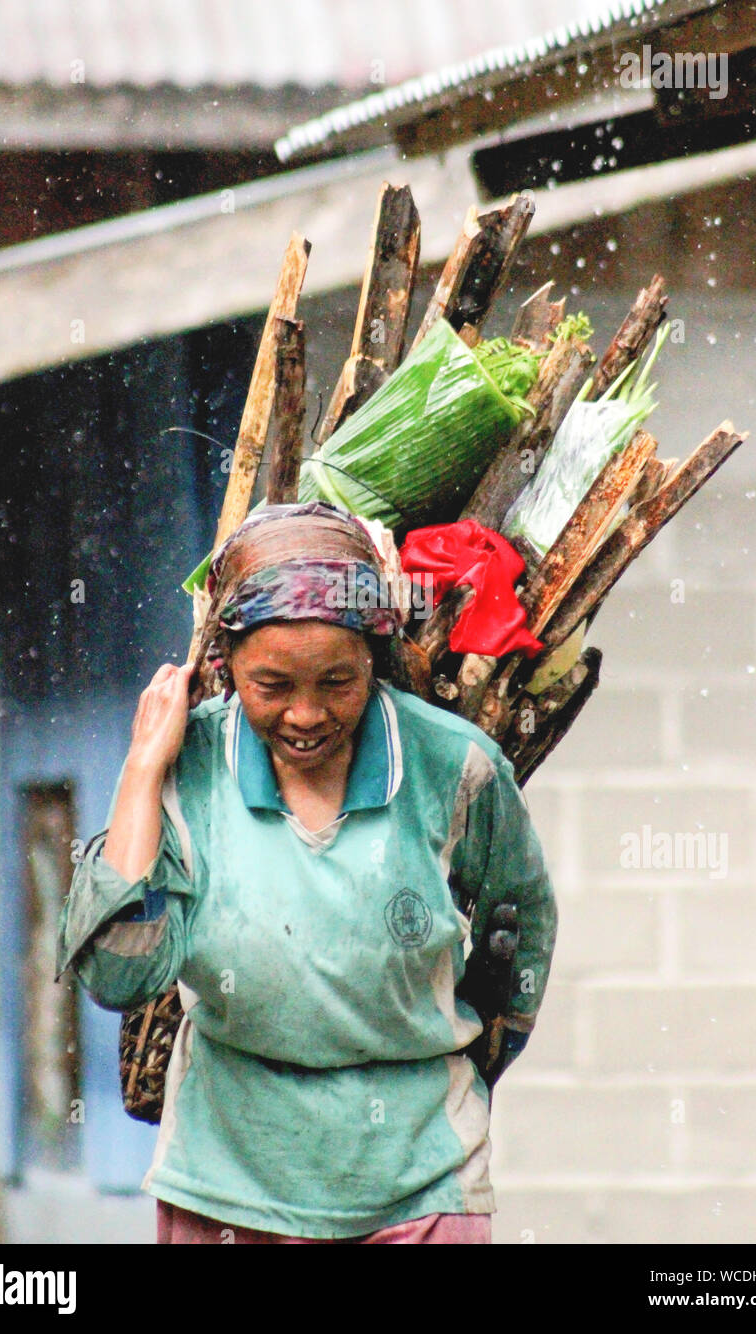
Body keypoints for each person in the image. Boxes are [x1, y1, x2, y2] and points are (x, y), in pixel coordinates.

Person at [56, 501, 557, 1244]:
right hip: (225, 1189)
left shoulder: (455, 768)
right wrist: (141, 768)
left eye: (337, 682)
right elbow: (117, 975)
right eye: (272, 686)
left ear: (372, 661)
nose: (306, 714)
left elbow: (520, 937)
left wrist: (468, 1063)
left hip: (419, 1185)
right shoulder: (191, 766)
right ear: (227, 667)